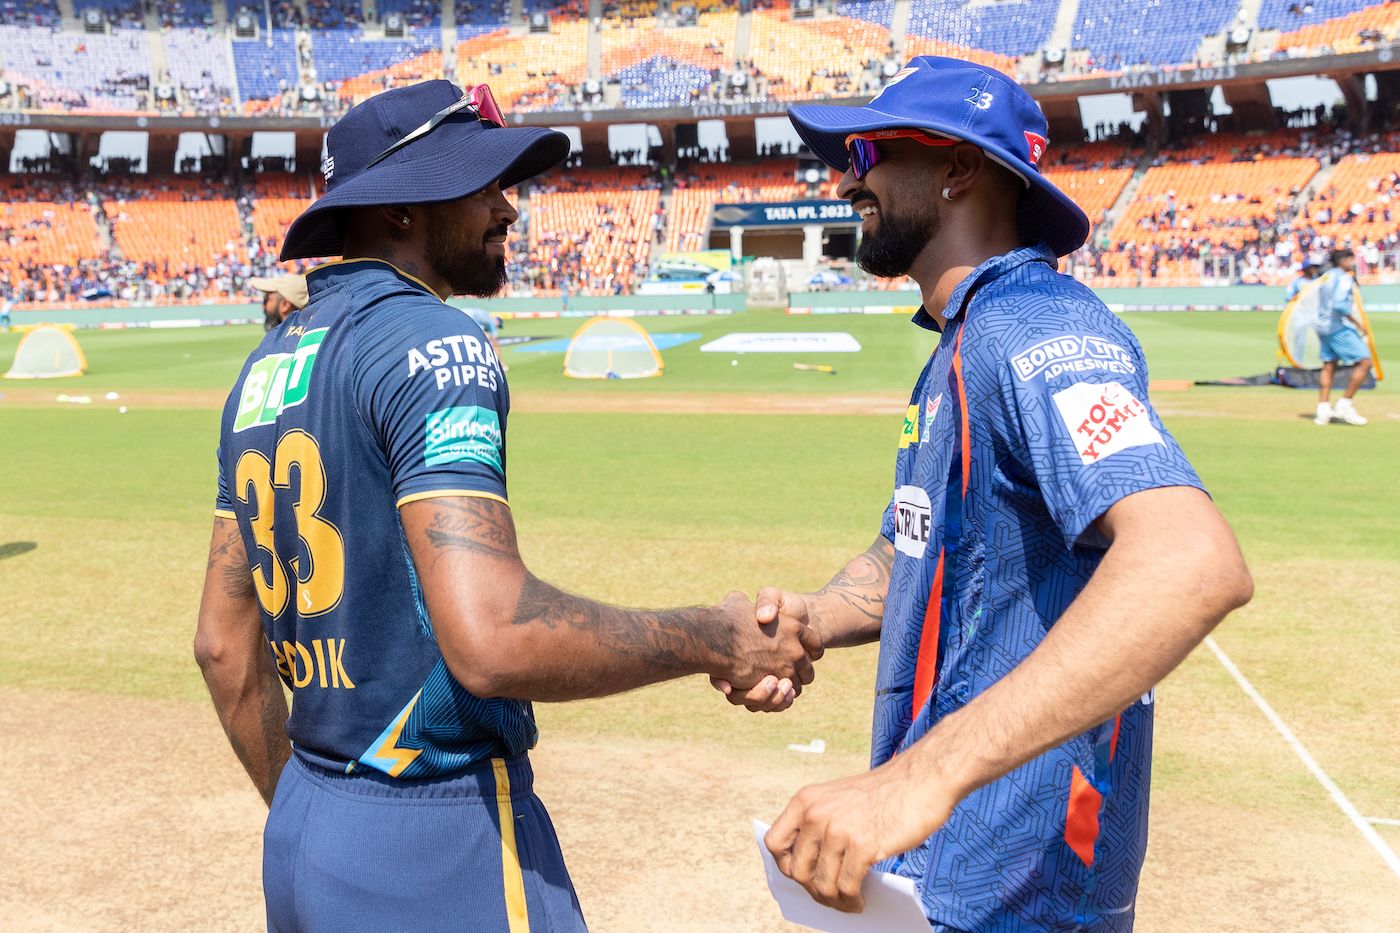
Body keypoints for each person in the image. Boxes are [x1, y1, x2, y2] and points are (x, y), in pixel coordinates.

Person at [194, 80, 819, 932]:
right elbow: (494, 637)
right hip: (440, 834)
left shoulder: (262, 368)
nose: (507, 209)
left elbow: (223, 646)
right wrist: (718, 635)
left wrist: (326, 814)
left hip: (306, 829)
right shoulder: (436, 342)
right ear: (400, 209)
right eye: (481, 183)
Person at [739, 56, 1254, 929]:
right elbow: (918, 543)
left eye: (868, 150)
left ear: (956, 168)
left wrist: (914, 779)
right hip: (942, 873)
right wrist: (814, 618)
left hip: (1024, 882)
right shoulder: (960, 342)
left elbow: (1190, 560)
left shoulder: (1034, 325)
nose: (847, 176)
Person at [1313, 248, 1371, 426]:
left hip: (1321, 325)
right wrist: (1357, 323)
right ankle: (1344, 405)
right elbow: (1339, 305)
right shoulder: (1344, 278)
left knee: (1329, 364)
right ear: (1344, 260)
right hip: (1336, 326)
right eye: (1351, 259)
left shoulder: (1327, 276)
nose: (1353, 263)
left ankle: (1323, 410)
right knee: (1364, 361)